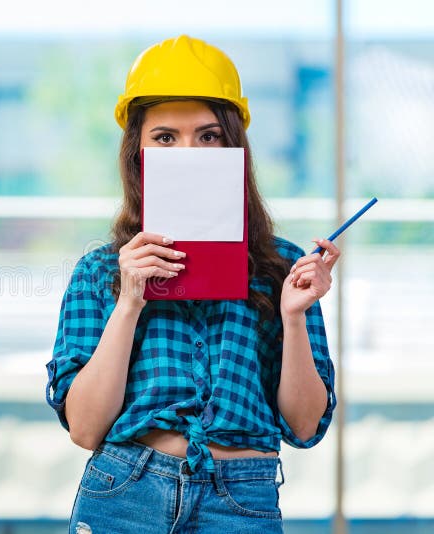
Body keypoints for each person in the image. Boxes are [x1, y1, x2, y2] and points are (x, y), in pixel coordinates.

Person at [45, 35, 339, 533]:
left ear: (234, 146)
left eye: (208, 136)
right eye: (164, 138)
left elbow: (305, 426)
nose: (189, 153)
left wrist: (292, 316)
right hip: (125, 493)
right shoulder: (100, 271)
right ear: (137, 154)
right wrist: (129, 302)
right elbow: (86, 427)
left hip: (241, 497)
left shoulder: (284, 267)